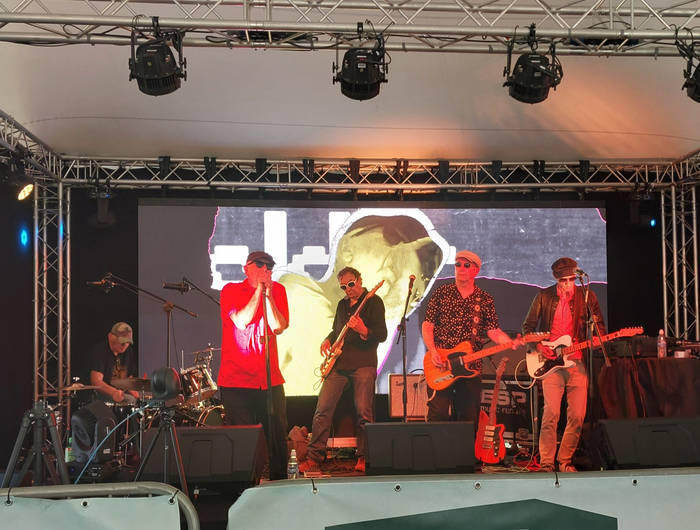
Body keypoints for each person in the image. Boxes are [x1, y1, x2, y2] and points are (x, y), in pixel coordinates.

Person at [278, 212, 446, 396]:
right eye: (390, 261)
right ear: (348, 250)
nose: (392, 274)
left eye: (415, 295)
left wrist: (395, 305)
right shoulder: (299, 293)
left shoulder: (374, 319)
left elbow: (371, 339)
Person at [299, 267, 387, 474]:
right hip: (338, 365)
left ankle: (364, 457)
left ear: (359, 280)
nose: (348, 289)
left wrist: (362, 329)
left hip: (363, 363)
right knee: (322, 410)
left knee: (364, 412)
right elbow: (337, 330)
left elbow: (381, 334)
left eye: (351, 284)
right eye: (343, 287)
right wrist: (328, 339)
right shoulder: (342, 305)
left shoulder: (374, 301)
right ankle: (314, 457)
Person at [522, 257, 606, 472]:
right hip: (551, 363)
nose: (568, 284)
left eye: (571, 279)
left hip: (576, 362)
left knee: (577, 415)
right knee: (551, 413)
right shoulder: (544, 296)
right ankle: (546, 463)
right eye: (563, 280)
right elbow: (527, 327)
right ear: (556, 279)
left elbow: (600, 327)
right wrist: (539, 346)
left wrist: (599, 340)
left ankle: (565, 461)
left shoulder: (587, 297)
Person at [218, 250, 290, 480]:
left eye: (269, 266)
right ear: (246, 268)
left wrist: (268, 295)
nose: (265, 269)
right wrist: (259, 290)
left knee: (277, 436)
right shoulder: (230, 290)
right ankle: (245, 485)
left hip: (269, 379)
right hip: (236, 381)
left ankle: (280, 482)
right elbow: (241, 320)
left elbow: (278, 326)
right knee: (243, 440)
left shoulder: (278, 290)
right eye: (259, 265)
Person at [422, 250, 515, 423]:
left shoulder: (484, 299)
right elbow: (428, 325)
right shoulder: (441, 293)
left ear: (476, 271)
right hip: (442, 364)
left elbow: (493, 330)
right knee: (438, 414)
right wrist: (433, 351)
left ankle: (464, 442)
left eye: (466, 265)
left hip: (470, 367)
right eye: (458, 264)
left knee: (468, 418)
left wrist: (509, 341)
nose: (461, 268)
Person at [88, 322, 139, 403]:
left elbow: (129, 378)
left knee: (141, 400)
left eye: (128, 342)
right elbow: (96, 381)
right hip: (103, 395)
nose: (125, 345)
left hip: (121, 393)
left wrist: (136, 394)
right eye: (122, 342)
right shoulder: (100, 351)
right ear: (110, 337)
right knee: (130, 399)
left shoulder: (128, 351)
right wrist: (114, 392)